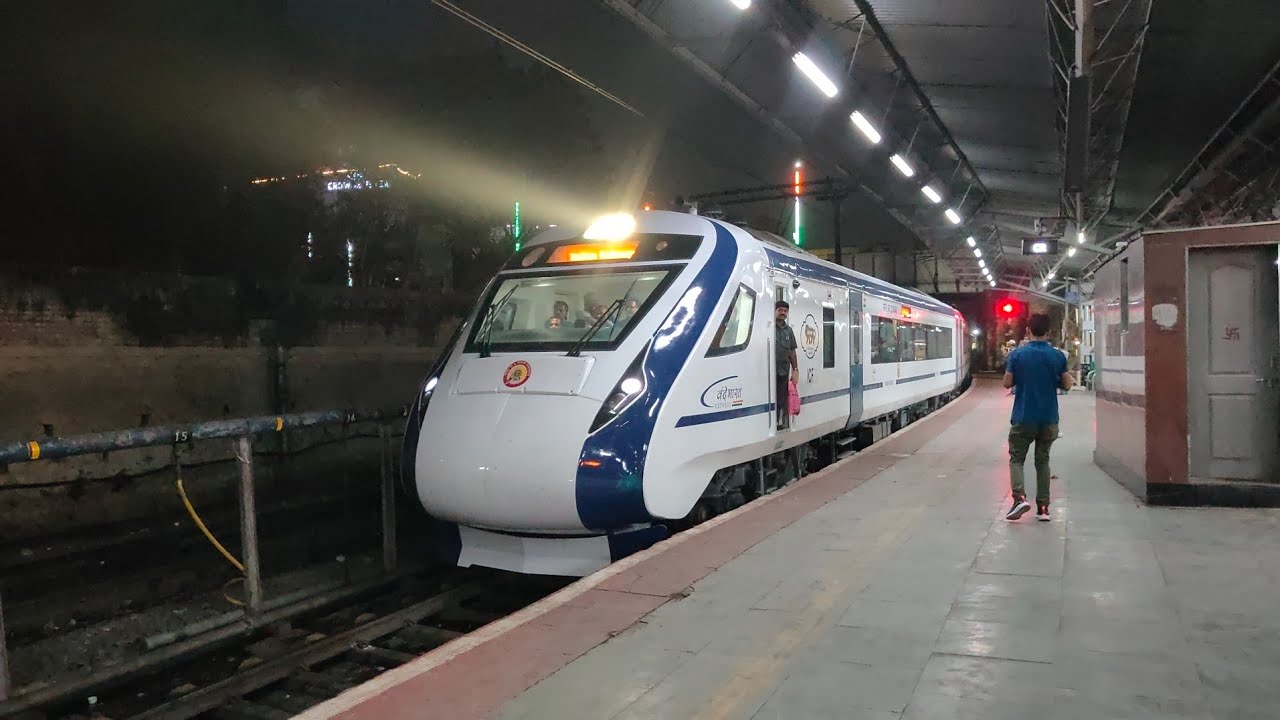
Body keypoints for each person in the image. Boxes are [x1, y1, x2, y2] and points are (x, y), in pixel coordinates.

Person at [1003, 312, 1072, 521]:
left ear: (1027, 331)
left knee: (1016, 459)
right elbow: (1067, 384)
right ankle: (1043, 509)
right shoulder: (1058, 356)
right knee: (1042, 461)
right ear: (1049, 332)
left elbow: (1007, 383)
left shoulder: (1017, 355)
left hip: (1024, 416)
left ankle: (1019, 498)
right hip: (1049, 418)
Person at [774, 300, 799, 429]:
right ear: (775, 311)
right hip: (770, 371)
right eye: (780, 310)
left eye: (785, 311)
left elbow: (792, 352)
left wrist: (795, 369)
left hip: (783, 370)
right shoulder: (769, 328)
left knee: (781, 397)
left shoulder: (788, 331)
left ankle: (779, 422)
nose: (783, 313)